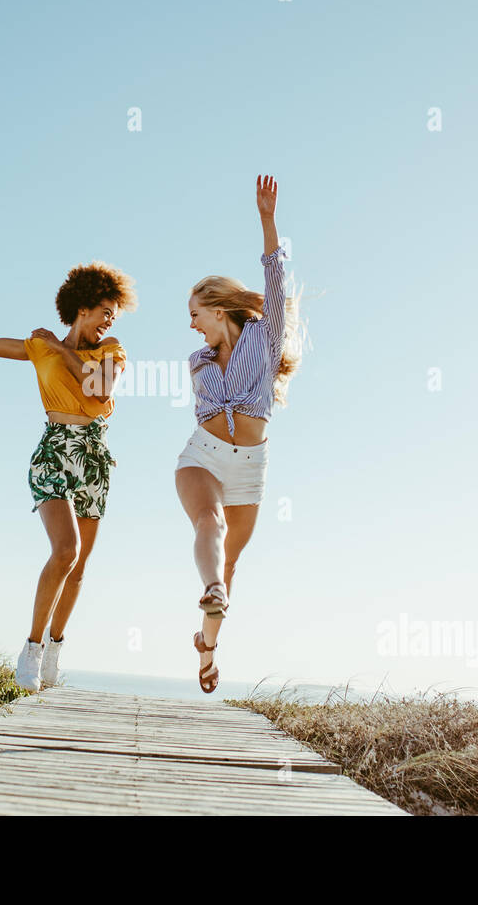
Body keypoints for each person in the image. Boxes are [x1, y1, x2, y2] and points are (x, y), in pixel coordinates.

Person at [0, 262, 136, 691]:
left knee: (79, 567)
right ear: (83, 308)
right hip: (54, 451)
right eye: (106, 311)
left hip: (92, 457)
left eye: (113, 314)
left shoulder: (112, 351)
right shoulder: (42, 348)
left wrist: (60, 346)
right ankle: (31, 650)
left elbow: (99, 390)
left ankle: (55, 648)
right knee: (65, 550)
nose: (110, 320)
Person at [174, 174, 302, 693]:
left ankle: (207, 648)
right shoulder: (197, 360)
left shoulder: (265, 339)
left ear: (217, 308)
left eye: (195, 314)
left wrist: (267, 220)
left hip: (249, 466)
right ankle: (209, 589)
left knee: (231, 563)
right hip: (201, 455)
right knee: (209, 521)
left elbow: (277, 286)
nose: (191, 326)